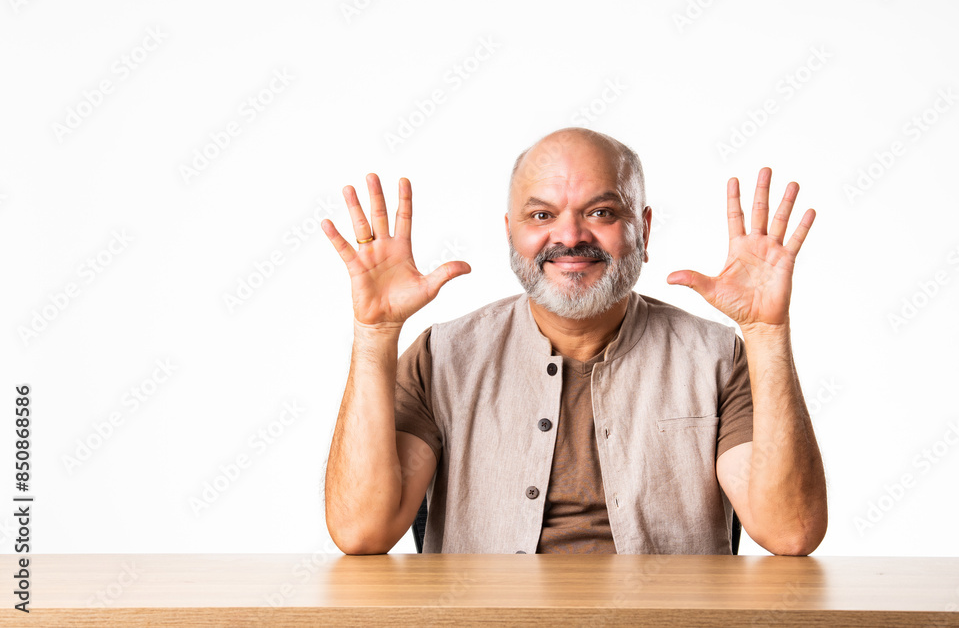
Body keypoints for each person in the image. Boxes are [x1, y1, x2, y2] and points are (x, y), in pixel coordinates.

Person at [322, 127, 827, 556]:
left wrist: (766, 333)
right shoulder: (441, 357)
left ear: (643, 230)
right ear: (510, 233)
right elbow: (362, 530)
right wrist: (376, 334)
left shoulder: (717, 358)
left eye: (602, 212)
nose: (569, 235)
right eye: (541, 215)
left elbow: (790, 530)